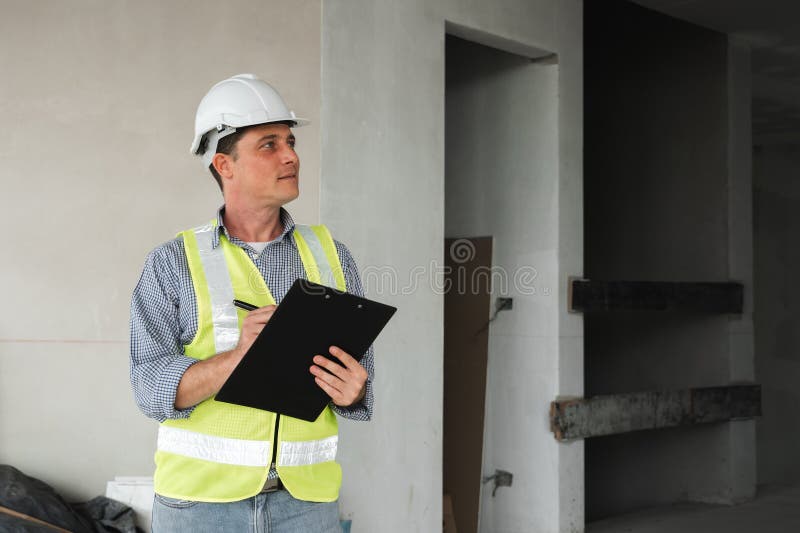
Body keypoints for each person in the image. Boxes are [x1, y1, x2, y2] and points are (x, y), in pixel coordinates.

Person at [129, 73, 374, 532]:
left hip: (305, 507)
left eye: (290, 141)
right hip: (199, 508)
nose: (291, 156)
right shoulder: (172, 263)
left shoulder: (332, 256)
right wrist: (238, 358)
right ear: (225, 165)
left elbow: (358, 378)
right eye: (269, 144)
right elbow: (148, 387)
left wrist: (355, 390)